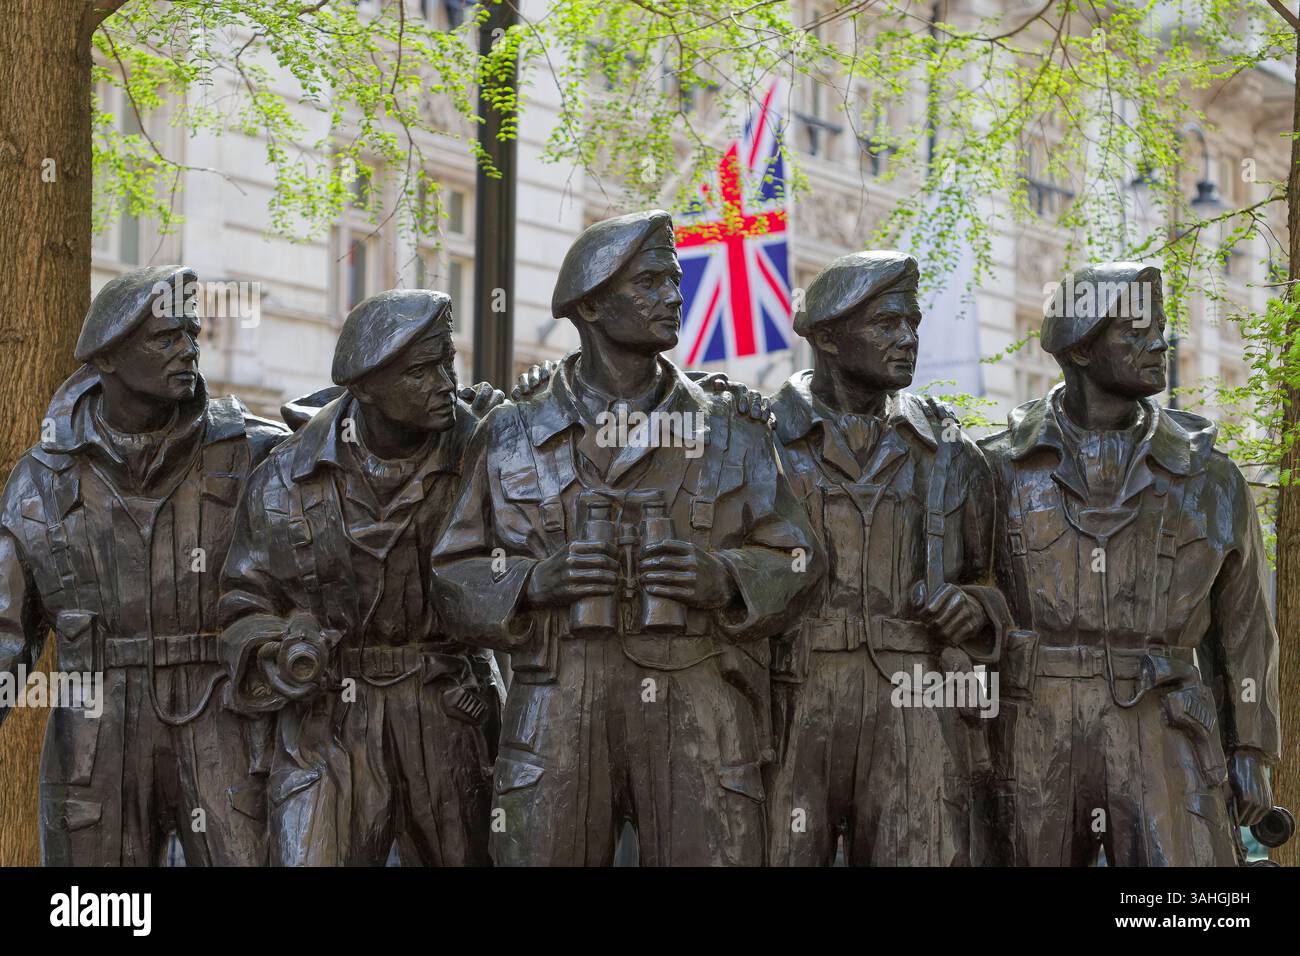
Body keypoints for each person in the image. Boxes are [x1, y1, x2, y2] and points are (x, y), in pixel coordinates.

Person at [431, 209, 821, 866]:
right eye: (650, 283)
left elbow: (800, 558)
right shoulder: (511, 431)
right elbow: (452, 570)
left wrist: (726, 578)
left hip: (697, 706)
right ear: (590, 303)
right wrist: (530, 582)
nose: (675, 296)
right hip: (557, 705)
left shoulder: (732, 428)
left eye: (675, 280)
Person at [980, 262, 1279, 866]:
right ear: (1083, 348)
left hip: (1165, 723)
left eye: (1161, 329)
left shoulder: (1211, 478)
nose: (1160, 343)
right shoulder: (997, 469)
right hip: (1036, 723)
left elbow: (1246, 631)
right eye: (1137, 332)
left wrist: (1250, 750)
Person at [0, 265, 289, 865]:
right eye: (165, 338)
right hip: (93, 733)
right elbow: (6, 632)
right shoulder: (42, 480)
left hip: (221, 724)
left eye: (192, 334)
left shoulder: (254, 455)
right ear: (107, 358)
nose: (188, 350)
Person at [219, 289, 502, 865]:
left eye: (447, 362)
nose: (446, 383)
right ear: (367, 386)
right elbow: (243, 599)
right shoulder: (286, 478)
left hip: (446, 709)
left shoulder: (487, 457)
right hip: (327, 719)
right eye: (422, 372)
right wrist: (273, 649)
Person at [765, 251, 1010, 866]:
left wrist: (977, 608)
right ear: (825, 336)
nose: (908, 339)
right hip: (791, 702)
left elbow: (1000, 581)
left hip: (918, 706)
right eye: (887, 324)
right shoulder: (756, 438)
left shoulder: (948, 450)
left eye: (913, 324)